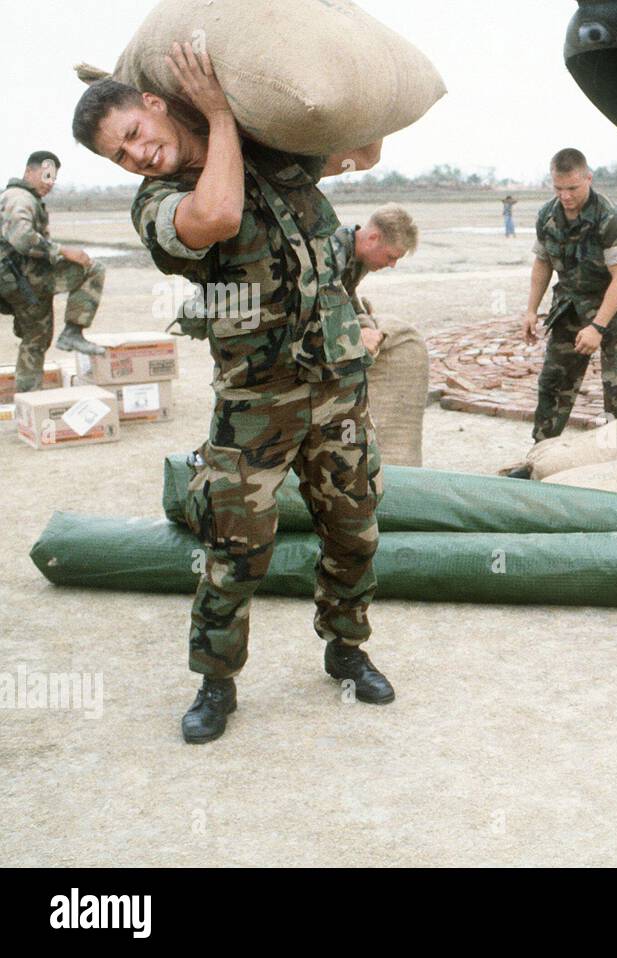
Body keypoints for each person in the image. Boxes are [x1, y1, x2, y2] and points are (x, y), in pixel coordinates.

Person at [72, 42, 394, 743]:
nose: (139, 156)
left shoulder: (272, 148)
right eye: (121, 157)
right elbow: (215, 217)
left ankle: (347, 647)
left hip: (337, 381)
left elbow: (363, 151)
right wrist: (217, 113)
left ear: (154, 103)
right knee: (235, 546)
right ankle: (216, 681)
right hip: (257, 398)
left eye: (134, 134)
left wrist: (354, 87)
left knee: (355, 528)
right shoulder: (159, 204)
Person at [520, 148, 617, 444]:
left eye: (573, 188)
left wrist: (598, 327)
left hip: (614, 314)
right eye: (558, 188)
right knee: (553, 382)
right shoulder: (547, 216)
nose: (565, 196)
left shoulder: (611, 219)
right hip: (570, 308)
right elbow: (542, 263)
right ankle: (542, 453)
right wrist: (530, 310)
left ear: (589, 178)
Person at [0, 151, 105, 393]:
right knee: (91, 267)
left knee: (36, 339)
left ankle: (29, 400)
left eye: (53, 178)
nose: (49, 182)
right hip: (21, 278)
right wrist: (62, 251)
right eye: (45, 175)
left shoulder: (18, 196)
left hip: (17, 279)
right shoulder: (20, 198)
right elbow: (22, 238)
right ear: (29, 171)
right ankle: (73, 331)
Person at [328, 203, 420, 355]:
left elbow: (346, 294)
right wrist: (356, 333)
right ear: (373, 238)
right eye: (391, 257)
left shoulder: (359, 259)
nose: (392, 265)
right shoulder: (332, 253)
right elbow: (317, 312)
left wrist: (365, 322)